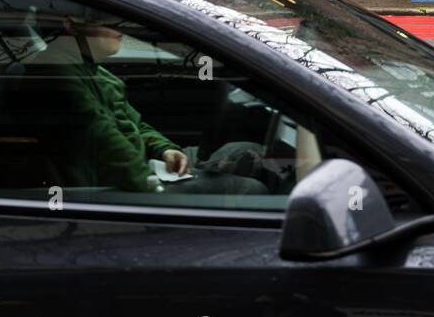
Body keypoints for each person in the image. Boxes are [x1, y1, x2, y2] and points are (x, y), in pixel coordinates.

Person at [30, 15, 267, 197]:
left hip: (143, 168)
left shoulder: (94, 70)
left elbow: (135, 124)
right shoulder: (56, 74)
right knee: (252, 190)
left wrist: (164, 150)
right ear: (71, 25)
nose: (119, 29)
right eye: (107, 20)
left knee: (246, 149)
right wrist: (153, 190)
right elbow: (103, 140)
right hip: (119, 187)